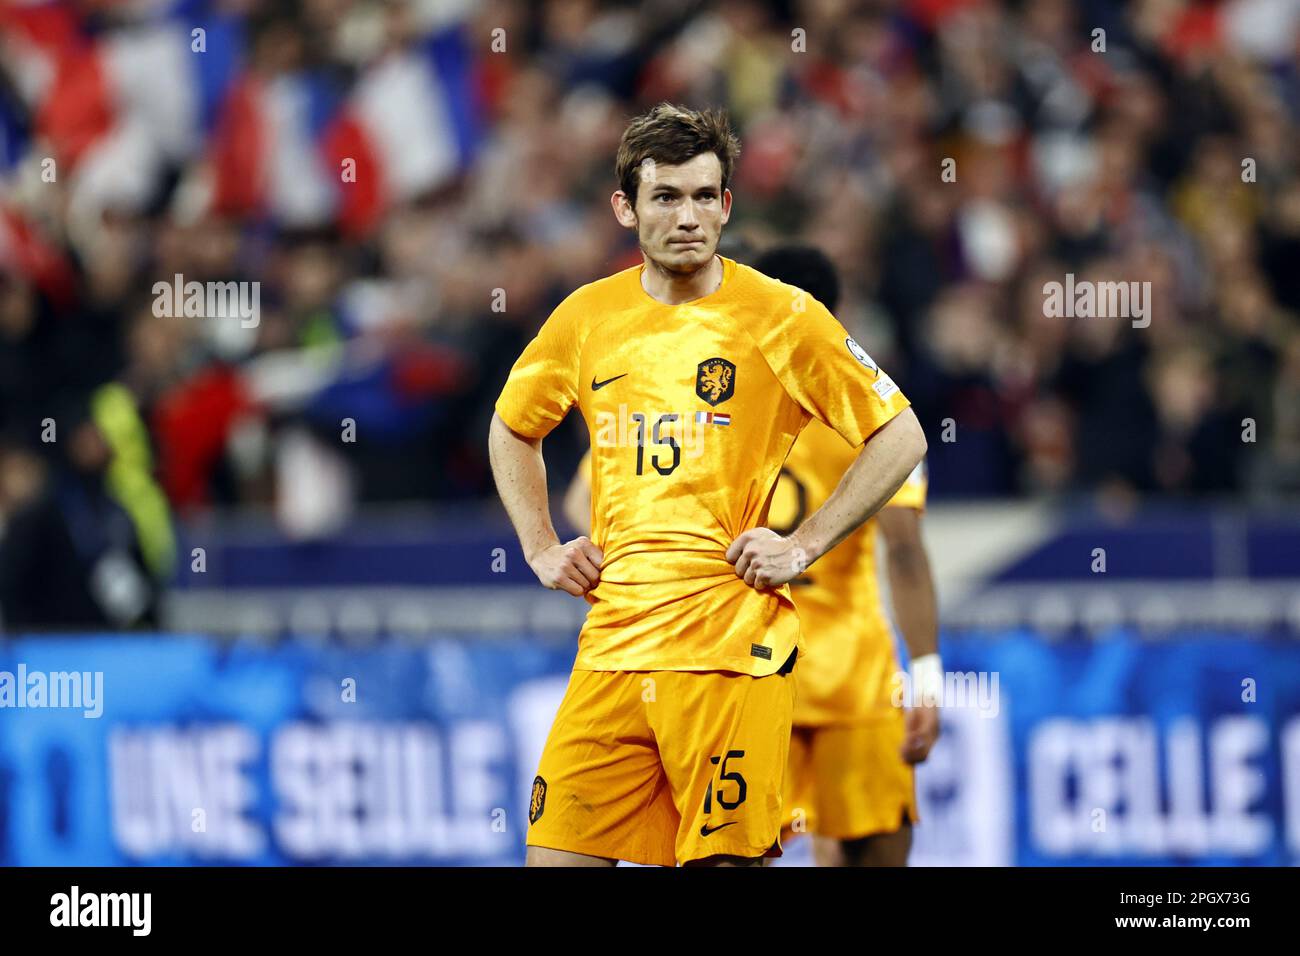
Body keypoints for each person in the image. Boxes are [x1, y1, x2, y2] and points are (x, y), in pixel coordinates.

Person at [488, 104, 926, 867]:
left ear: (727, 204)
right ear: (626, 207)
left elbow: (902, 433)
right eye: (665, 197)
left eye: (703, 196)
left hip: (731, 652)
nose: (686, 217)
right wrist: (540, 548)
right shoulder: (586, 317)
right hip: (613, 648)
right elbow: (512, 428)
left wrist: (805, 542)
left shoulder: (782, 315)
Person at [753, 245, 940, 867]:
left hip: (750, 676)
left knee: (734, 851)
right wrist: (930, 676)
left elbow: (589, 499)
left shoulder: (714, 407)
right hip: (854, 681)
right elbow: (905, 555)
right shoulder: (870, 408)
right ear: (836, 315)